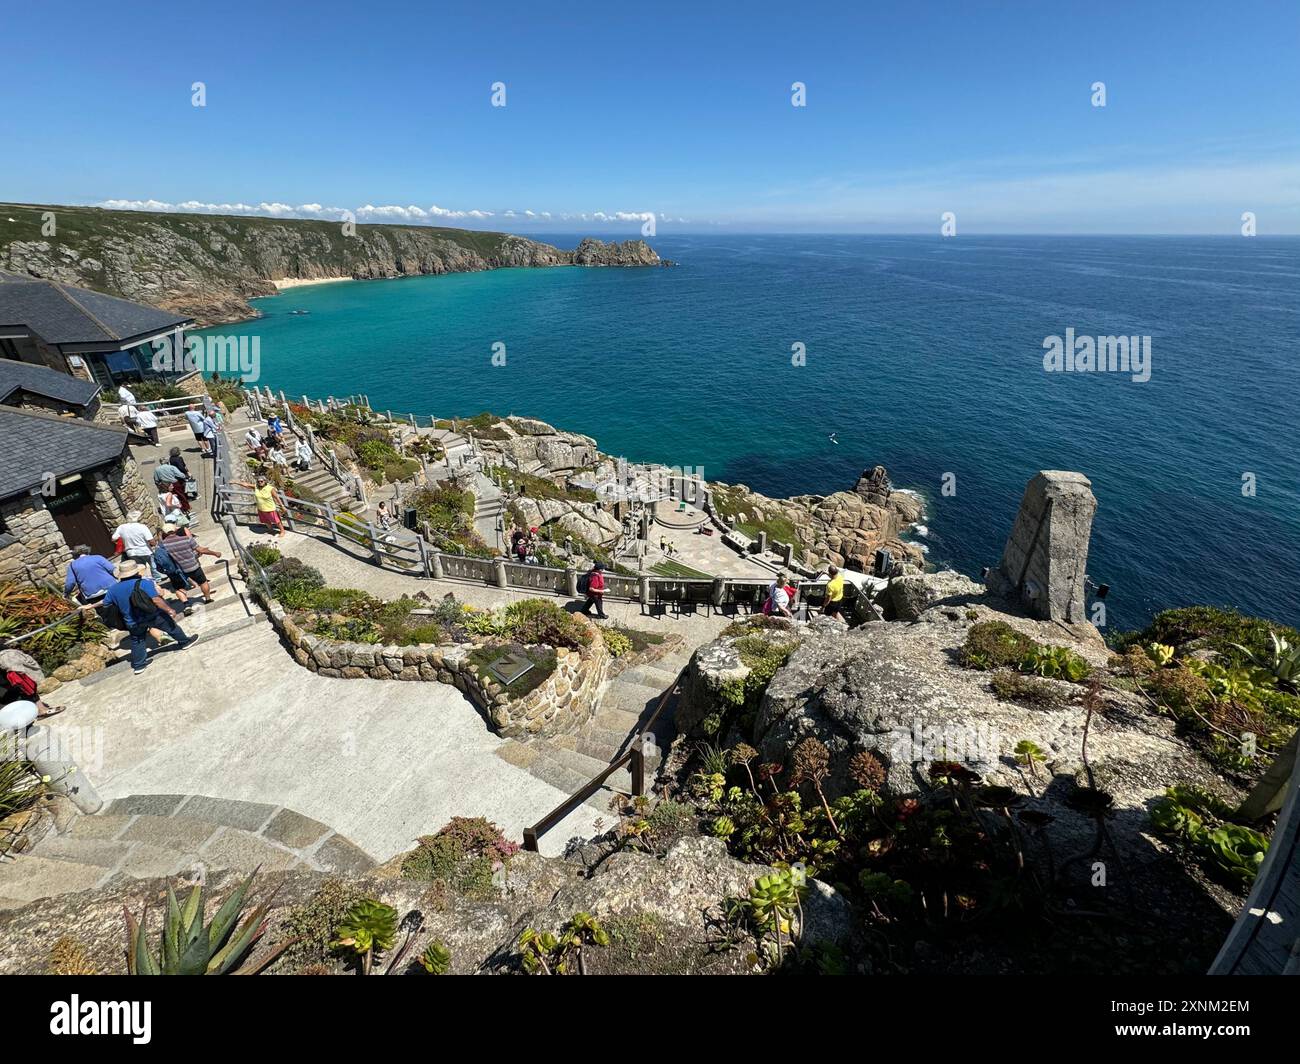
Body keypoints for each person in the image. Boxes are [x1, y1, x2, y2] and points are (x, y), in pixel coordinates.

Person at [103, 561, 198, 675]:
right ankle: (185, 642)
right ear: (136, 571)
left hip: (131, 620)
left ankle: (139, 665)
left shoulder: (113, 589)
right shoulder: (144, 583)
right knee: (171, 626)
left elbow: (106, 604)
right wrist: (169, 609)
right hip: (152, 614)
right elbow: (156, 600)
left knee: (138, 640)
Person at [160, 523, 222, 602]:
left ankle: (186, 605)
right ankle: (208, 599)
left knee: (178, 588)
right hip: (193, 566)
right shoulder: (186, 539)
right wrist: (215, 553)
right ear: (175, 530)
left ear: (164, 532)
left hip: (178, 570)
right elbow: (201, 550)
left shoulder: (163, 545)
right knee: (203, 582)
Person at [151, 538, 193, 609]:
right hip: (183, 567)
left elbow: (158, 567)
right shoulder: (170, 546)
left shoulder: (157, 553)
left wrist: (166, 572)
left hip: (172, 573)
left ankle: (186, 604)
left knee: (178, 589)